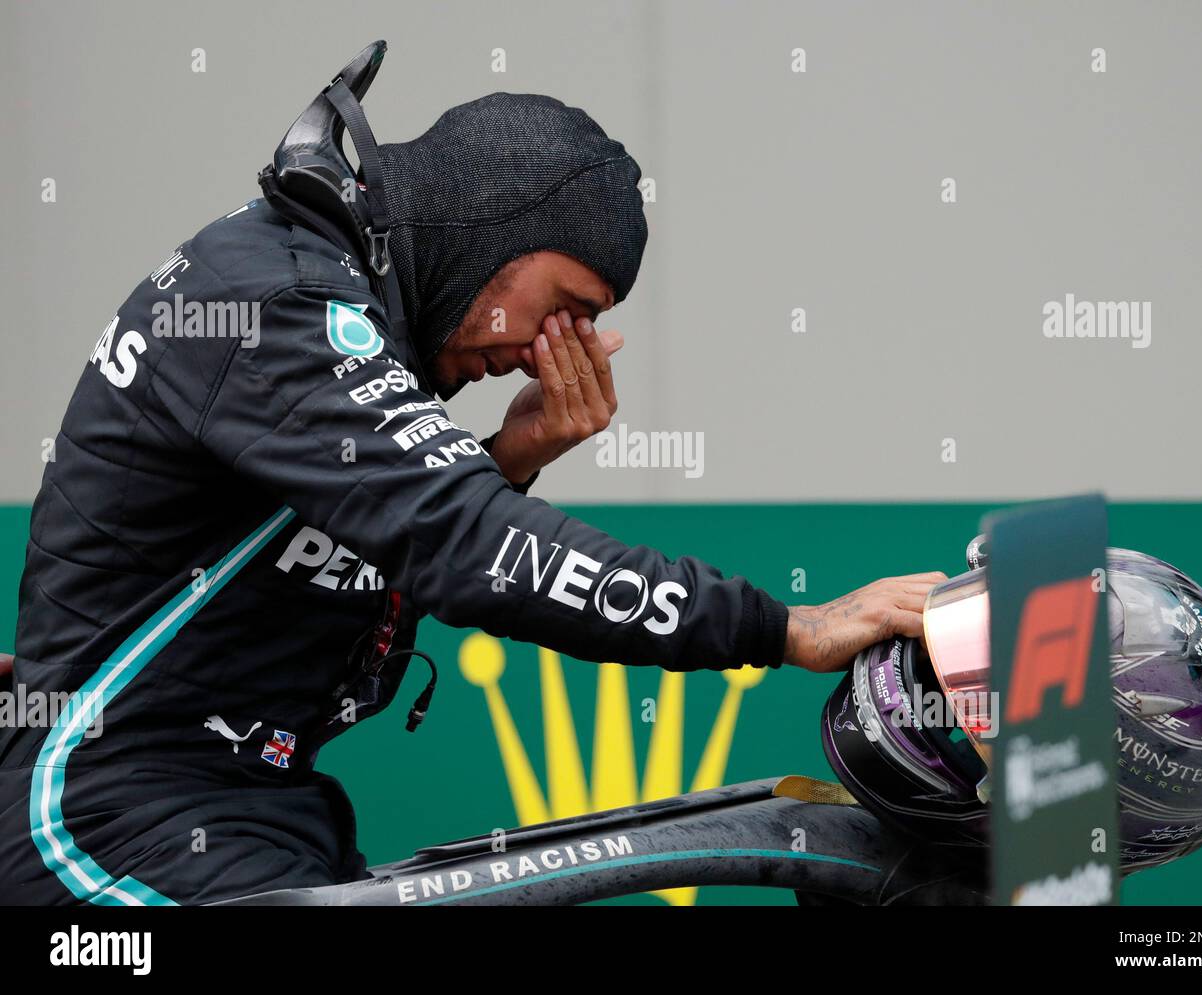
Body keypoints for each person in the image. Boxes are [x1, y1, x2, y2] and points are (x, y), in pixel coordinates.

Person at [0, 50, 943, 905]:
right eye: (562, 307)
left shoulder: (317, 289)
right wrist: (787, 627)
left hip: (243, 814)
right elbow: (464, 544)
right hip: (106, 819)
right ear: (496, 230)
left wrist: (508, 460)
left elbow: (351, 553)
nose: (551, 351)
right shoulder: (275, 299)